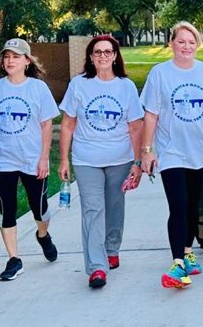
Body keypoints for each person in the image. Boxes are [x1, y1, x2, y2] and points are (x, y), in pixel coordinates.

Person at [139, 21, 203, 290]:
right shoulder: (159, 73)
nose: (187, 46)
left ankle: (187, 251)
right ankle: (177, 263)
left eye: (191, 42)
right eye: (181, 41)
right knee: (178, 204)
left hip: (198, 149)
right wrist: (147, 151)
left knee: (191, 206)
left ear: (197, 45)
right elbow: (150, 114)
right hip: (170, 150)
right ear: (171, 44)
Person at [59, 34, 143, 289]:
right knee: (93, 209)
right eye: (98, 52)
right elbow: (68, 125)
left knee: (114, 206)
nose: (103, 56)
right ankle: (97, 267)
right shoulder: (78, 85)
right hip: (86, 159)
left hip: (120, 158)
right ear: (91, 57)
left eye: (108, 52)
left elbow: (135, 127)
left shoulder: (126, 86)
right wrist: (64, 160)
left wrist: (137, 162)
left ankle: (111, 247)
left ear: (115, 56)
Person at [0, 38, 59, 281]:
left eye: (15, 56)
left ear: (27, 60)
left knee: (40, 208)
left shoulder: (37, 88)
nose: (10, 60)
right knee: (7, 210)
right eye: (6, 56)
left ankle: (43, 235)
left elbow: (47, 125)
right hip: (3, 161)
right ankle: (14, 259)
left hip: (32, 159)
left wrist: (43, 158)